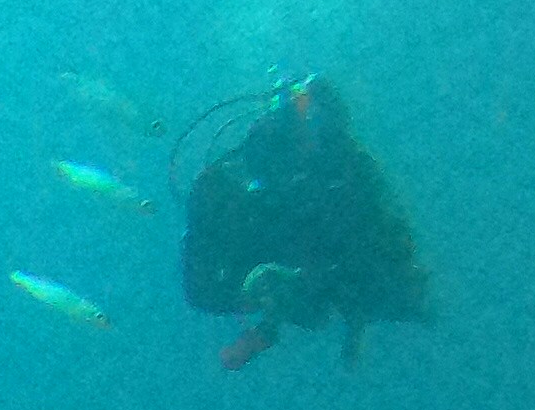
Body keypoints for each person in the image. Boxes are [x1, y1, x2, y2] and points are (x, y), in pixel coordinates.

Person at [178, 76, 431, 370]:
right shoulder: (223, 187)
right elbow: (200, 287)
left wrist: (324, 281)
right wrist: (253, 293)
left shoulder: (352, 170)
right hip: (287, 296)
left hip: (346, 293)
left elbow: (396, 253)